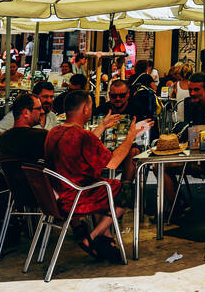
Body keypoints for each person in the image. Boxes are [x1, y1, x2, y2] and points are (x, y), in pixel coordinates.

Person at [44, 89, 152, 262]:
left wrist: (101, 126)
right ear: (86, 109)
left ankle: (106, 238)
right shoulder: (83, 135)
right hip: (76, 197)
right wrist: (131, 136)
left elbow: (79, 143)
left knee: (102, 182)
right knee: (125, 189)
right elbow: (113, 162)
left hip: (55, 195)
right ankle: (93, 237)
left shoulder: (53, 132)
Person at [0, 80, 58, 150]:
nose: (49, 100)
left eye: (51, 97)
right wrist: (4, 156)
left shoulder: (52, 116)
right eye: (45, 96)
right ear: (35, 97)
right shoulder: (20, 115)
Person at [0, 93, 50, 164]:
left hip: (10, 174)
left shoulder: (2, 139)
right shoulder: (42, 136)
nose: (42, 111)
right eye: (39, 108)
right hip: (37, 174)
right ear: (26, 113)